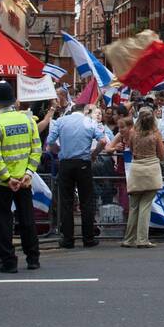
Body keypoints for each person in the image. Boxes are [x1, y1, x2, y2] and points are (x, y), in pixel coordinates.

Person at [0, 80, 42, 273]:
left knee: (3, 220)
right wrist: (28, 173)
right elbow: (36, 149)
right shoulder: (27, 120)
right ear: (14, 101)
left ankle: (9, 261)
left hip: (3, 183)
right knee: (27, 219)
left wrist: (7, 178)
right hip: (24, 181)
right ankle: (33, 258)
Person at [50, 103, 107, 248]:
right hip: (83, 162)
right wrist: (94, 154)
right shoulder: (90, 122)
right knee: (86, 201)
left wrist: (58, 150)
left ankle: (68, 239)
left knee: (67, 201)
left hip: (66, 163)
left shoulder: (60, 121)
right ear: (85, 111)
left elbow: (50, 142)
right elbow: (103, 141)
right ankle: (88, 238)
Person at [122, 109, 164, 249]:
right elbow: (161, 154)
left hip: (136, 168)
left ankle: (129, 239)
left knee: (134, 206)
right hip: (151, 168)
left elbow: (132, 149)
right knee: (146, 205)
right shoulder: (155, 134)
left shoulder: (133, 133)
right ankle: (142, 239)